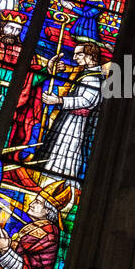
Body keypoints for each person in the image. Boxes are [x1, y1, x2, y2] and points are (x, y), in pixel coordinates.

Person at [37, 42, 105, 178]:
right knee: (60, 146)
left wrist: (59, 101)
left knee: (67, 149)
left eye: (79, 54)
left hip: (77, 122)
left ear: (90, 56)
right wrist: (58, 68)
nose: (74, 58)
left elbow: (87, 100)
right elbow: (71, 75)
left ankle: (59, 178)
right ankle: (50, 174)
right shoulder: (86, 72)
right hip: (70, 118)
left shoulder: (94, 77)